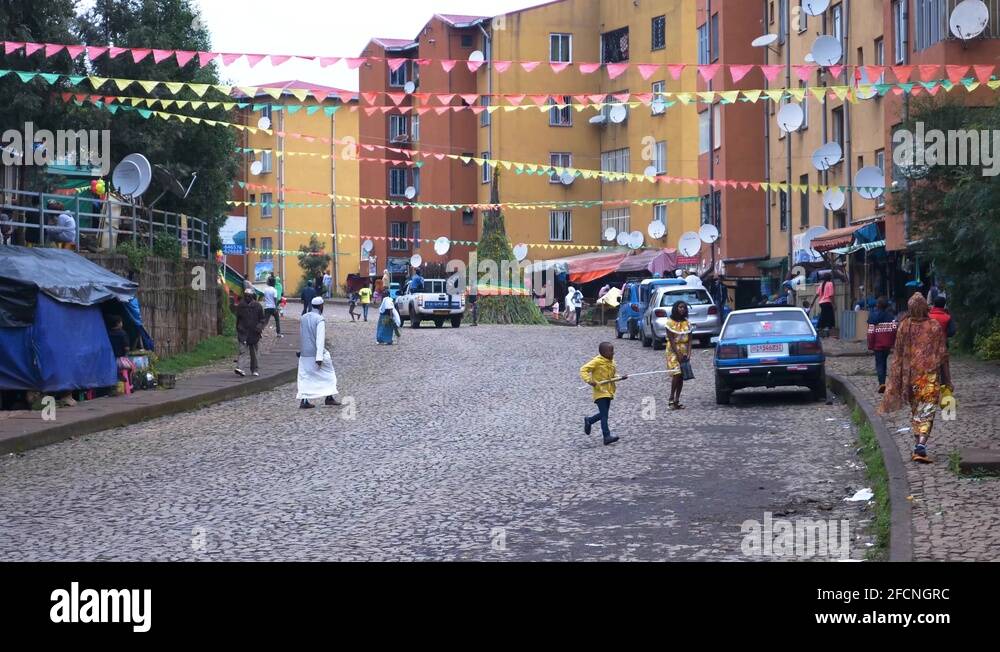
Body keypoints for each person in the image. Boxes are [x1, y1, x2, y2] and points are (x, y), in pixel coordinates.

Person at [879, 293, 950, 464]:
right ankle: (921, 444)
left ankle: (919, 445)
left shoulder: (904, 326)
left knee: (916, 411)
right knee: (927, 411)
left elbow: (897, 355)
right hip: (930, 376)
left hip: (911, 377)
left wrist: (895, 380)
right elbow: (943, 356)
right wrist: (948, 380)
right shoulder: (934, 326)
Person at [580, 342, 628, 446]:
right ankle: (606, 436)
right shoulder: (597, 361)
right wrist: (589, 380)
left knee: (604, 414)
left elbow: (613, 375)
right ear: (603, 353)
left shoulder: (612, 362)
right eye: (610, 351)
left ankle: (589, 420)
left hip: (609, 391)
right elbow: (583, 370)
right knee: (604, 415)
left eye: (613, 350)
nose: (613, 352)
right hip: (600, 392)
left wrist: (620, 377)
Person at [297, 297, 342, 409]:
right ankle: (329, 397)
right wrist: (319, 357)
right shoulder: (319, 319)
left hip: (304, 354)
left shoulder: (303, 317)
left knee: (305, 377)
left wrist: (300, 350)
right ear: (321, 306)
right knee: (329, 375)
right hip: (317, 353)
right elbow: (320, 339)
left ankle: (304, 400)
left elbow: (302, 335)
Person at [665, 301, 693, 410]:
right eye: (680, 307)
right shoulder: (669, 323)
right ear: (675, 308)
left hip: (684, 350)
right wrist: (678, 354)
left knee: (682, 375)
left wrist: (689, 354)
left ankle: (677, 400)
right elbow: (671, 340)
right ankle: (671, 397)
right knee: (676, 373)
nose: (682, 309)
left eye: (684, 308)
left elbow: (690, 340)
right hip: (673, 351)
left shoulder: (687, 323)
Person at [232, 288, 265, 377]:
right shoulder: (240, 306)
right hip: (243, 332)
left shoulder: (258, 306)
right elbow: (238, 320)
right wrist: (239, 329)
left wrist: (259, 327)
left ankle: (254, 369)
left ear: (252, 297)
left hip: (254, 332)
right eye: (245, 296)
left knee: (253, 353)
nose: (247, 298)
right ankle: (240, 368)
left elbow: (262, 319)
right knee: (242, 351)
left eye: (249, 296)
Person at [867, 296, 896, 393]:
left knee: (879, 364)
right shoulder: (891, 317)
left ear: (877, 305)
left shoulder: (872, 317)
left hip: (877, 345)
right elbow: (894, 330)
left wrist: (870, 345)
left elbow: (871, 333)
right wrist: (893, 343)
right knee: (884, 363)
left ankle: (881, 383)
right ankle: (883, 381)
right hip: (887, 344)